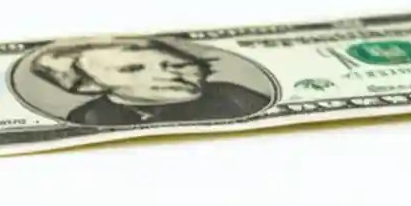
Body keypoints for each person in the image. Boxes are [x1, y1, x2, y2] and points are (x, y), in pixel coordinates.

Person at [30, 38, 270, 127]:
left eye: (178, 65)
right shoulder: (89, 117)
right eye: (132, 69)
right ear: (88, 84)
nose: (169, 75)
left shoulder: (234, 96)